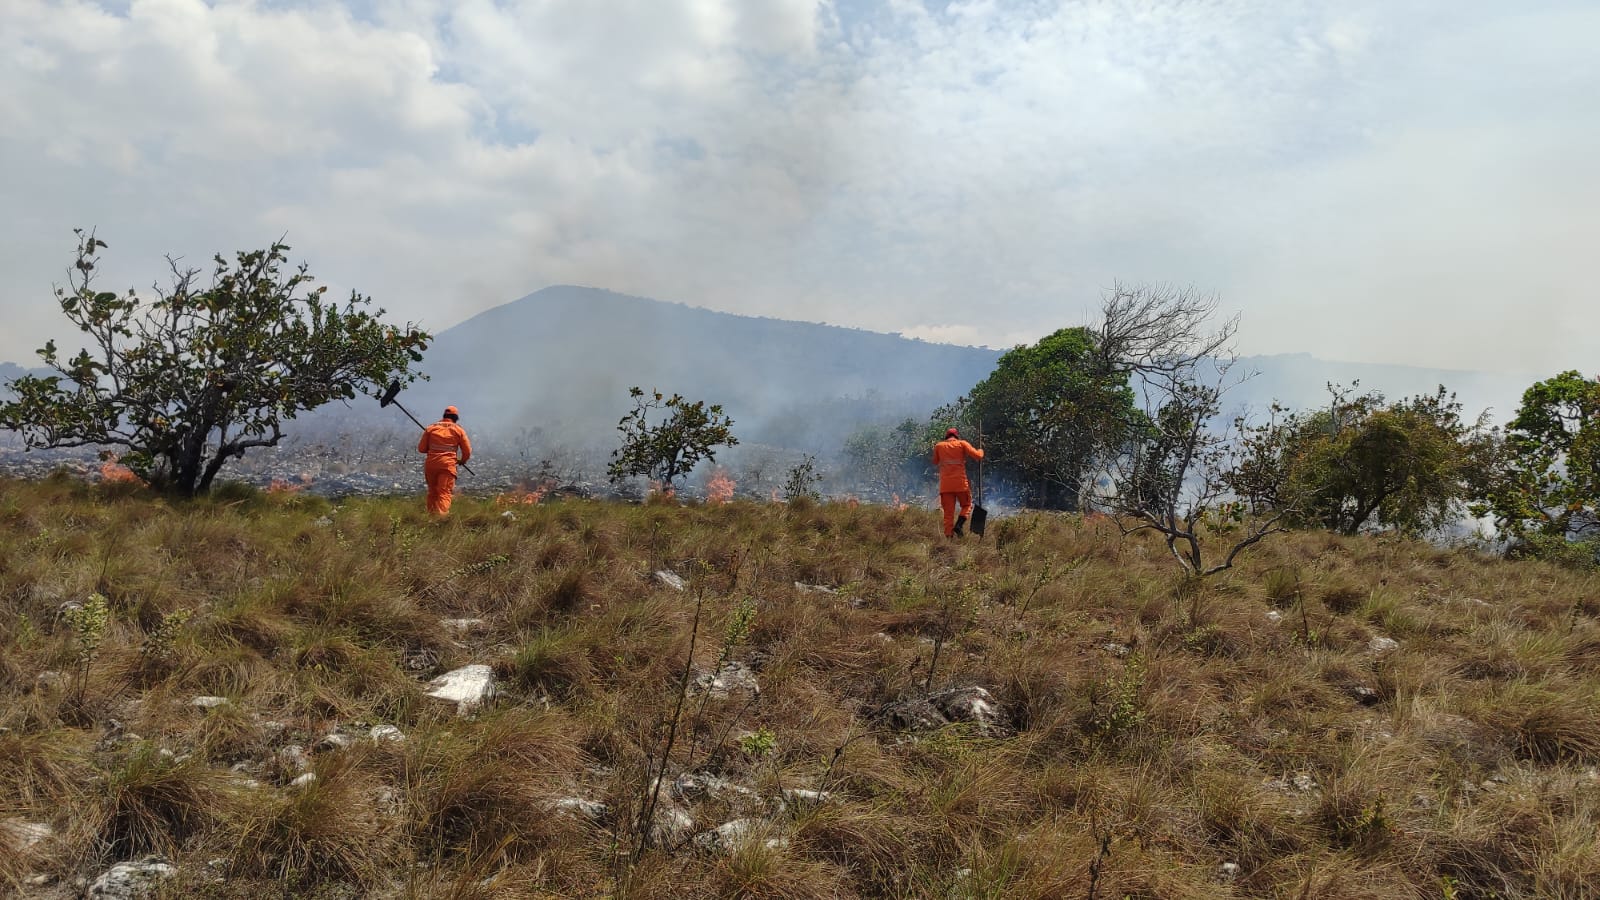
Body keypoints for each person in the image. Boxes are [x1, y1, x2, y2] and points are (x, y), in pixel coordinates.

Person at [419, 406, 471, 517]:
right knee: (444, 493)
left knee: (432, 492)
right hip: (447, 466)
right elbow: (467, 451)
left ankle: (431, 517)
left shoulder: (431, 428)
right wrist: (462, 460)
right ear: (456, 418)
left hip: (431, 465)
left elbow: (421, 449)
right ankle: (440, 519)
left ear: (444, 416)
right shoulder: (458, 430)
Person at [932, 426, 983, 537]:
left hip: (945, 486)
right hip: (960, 484)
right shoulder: (962, 444)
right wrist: (981, 450)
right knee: (967, 505)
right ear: (956, 436)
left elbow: (935, 461)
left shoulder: (938, 446)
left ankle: (949, 538)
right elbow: (978, 456)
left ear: (946, 437)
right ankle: (959, 525)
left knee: (948, 514)